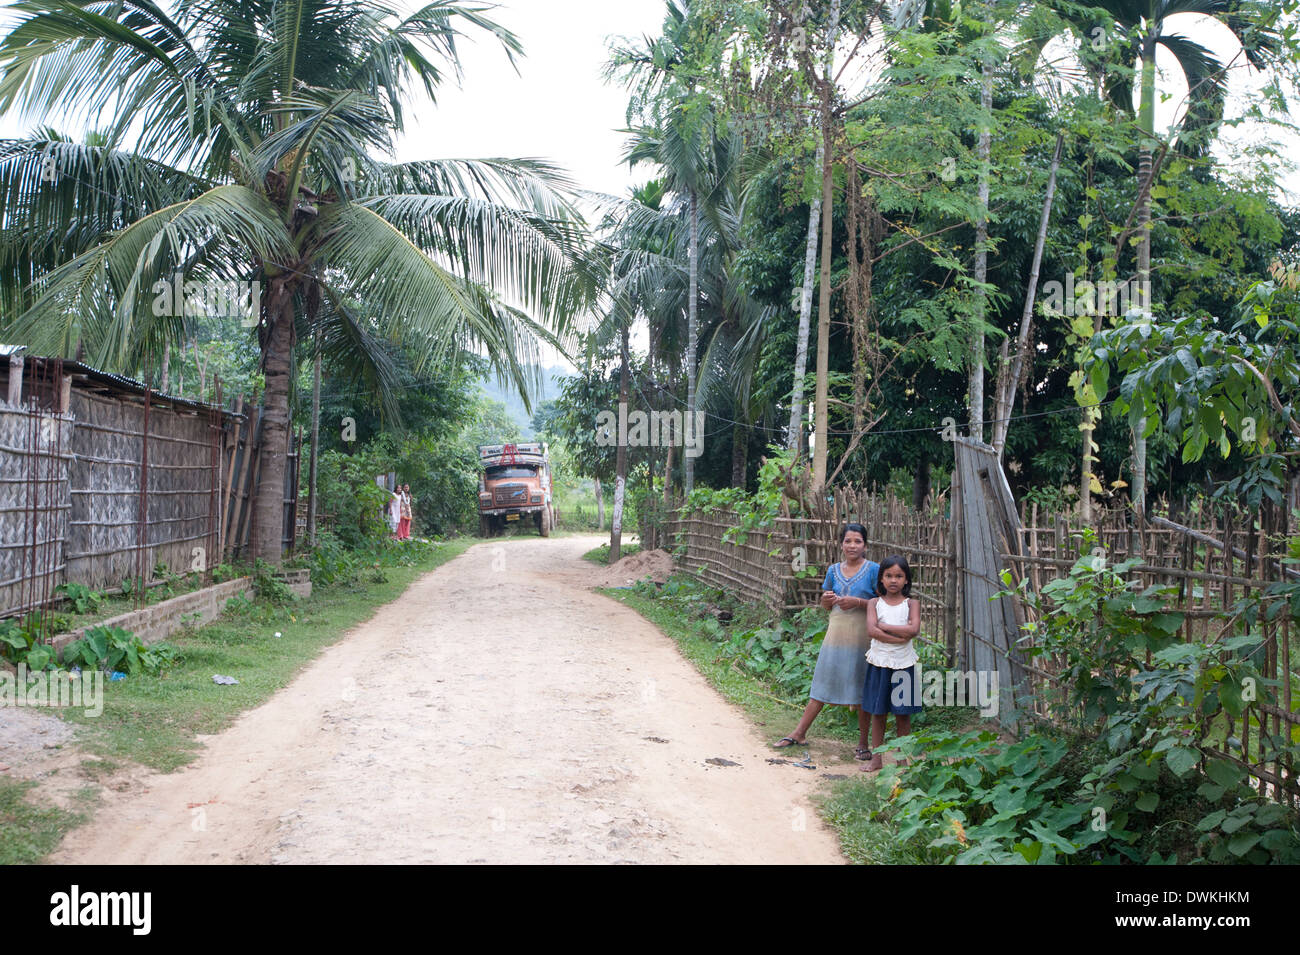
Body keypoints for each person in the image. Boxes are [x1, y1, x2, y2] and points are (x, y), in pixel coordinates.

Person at [773, 523, 879, 758]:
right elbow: (825, 606)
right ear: (840, 544)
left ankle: (863, 744)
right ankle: (799, 733)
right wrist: (826, 599)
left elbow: (883, 603)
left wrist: (859, 603)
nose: (852, 545)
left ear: (866, 545)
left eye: (858, 541)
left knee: (861, 688)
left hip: (862, 637)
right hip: (835, 634)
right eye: (848, 541)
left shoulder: (874, 570)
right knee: (822, 681)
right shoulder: (833, 570)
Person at [860, 554, 921, 772]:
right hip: (880, 663)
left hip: (904, 663)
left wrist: (883, 628)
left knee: (903, 714)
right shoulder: (874, 603)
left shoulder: (912, 604)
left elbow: (913, 630)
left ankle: (902, 760)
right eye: (888, 575)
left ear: (906, 580)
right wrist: (898, 637)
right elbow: (871, 630)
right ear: (881, 579)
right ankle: (876, 758)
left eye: (899, 576)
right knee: (878, 712)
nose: (893, 580)